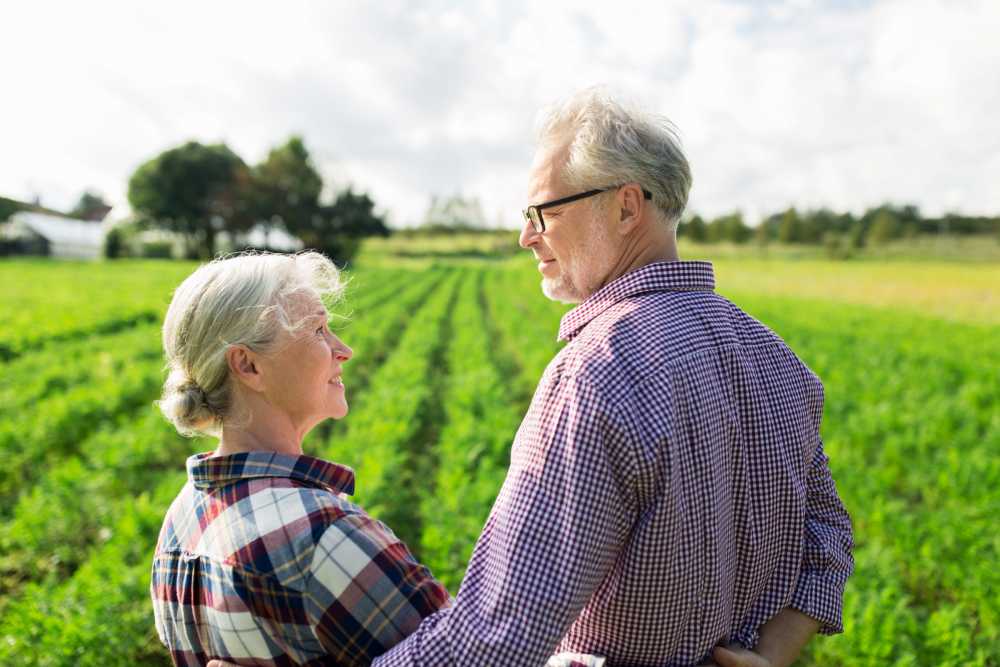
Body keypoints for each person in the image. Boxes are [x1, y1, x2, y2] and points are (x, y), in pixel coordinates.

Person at [363, 89, 855, 666]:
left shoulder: (597, 370)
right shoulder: (775, 357)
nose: (527, 236)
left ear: (626, 207)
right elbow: (829, 539)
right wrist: (770, 655)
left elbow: (498, 633)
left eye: (544, 210)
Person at [150, 252, 450, 665]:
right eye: (318, 331)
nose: (344, 350)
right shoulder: (324, 537)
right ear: (248, 365)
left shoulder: (181, 520)